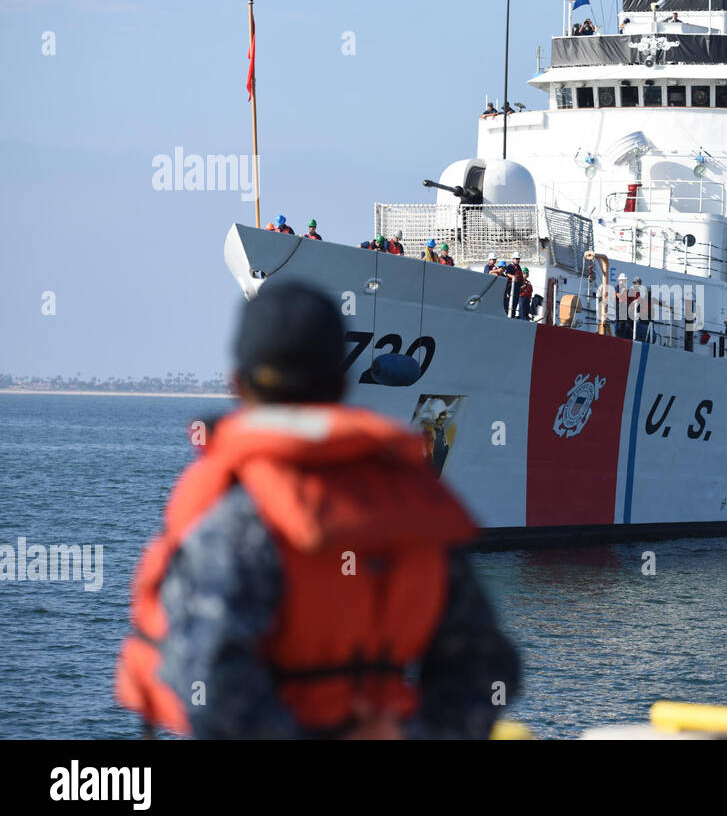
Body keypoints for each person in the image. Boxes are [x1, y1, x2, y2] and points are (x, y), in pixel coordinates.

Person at [115, 282, 520, 738]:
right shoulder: (415, 515)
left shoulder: (237, 519)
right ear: (343, 384)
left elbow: (205, 681)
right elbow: (490, 669)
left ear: (237, 384)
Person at [613, 273, 632, 340]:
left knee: (624, 329)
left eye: (624, 280)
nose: (623, 282)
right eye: (622, 280)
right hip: (619, 313)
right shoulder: (617, 287)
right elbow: (619, 295)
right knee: (618, 329)